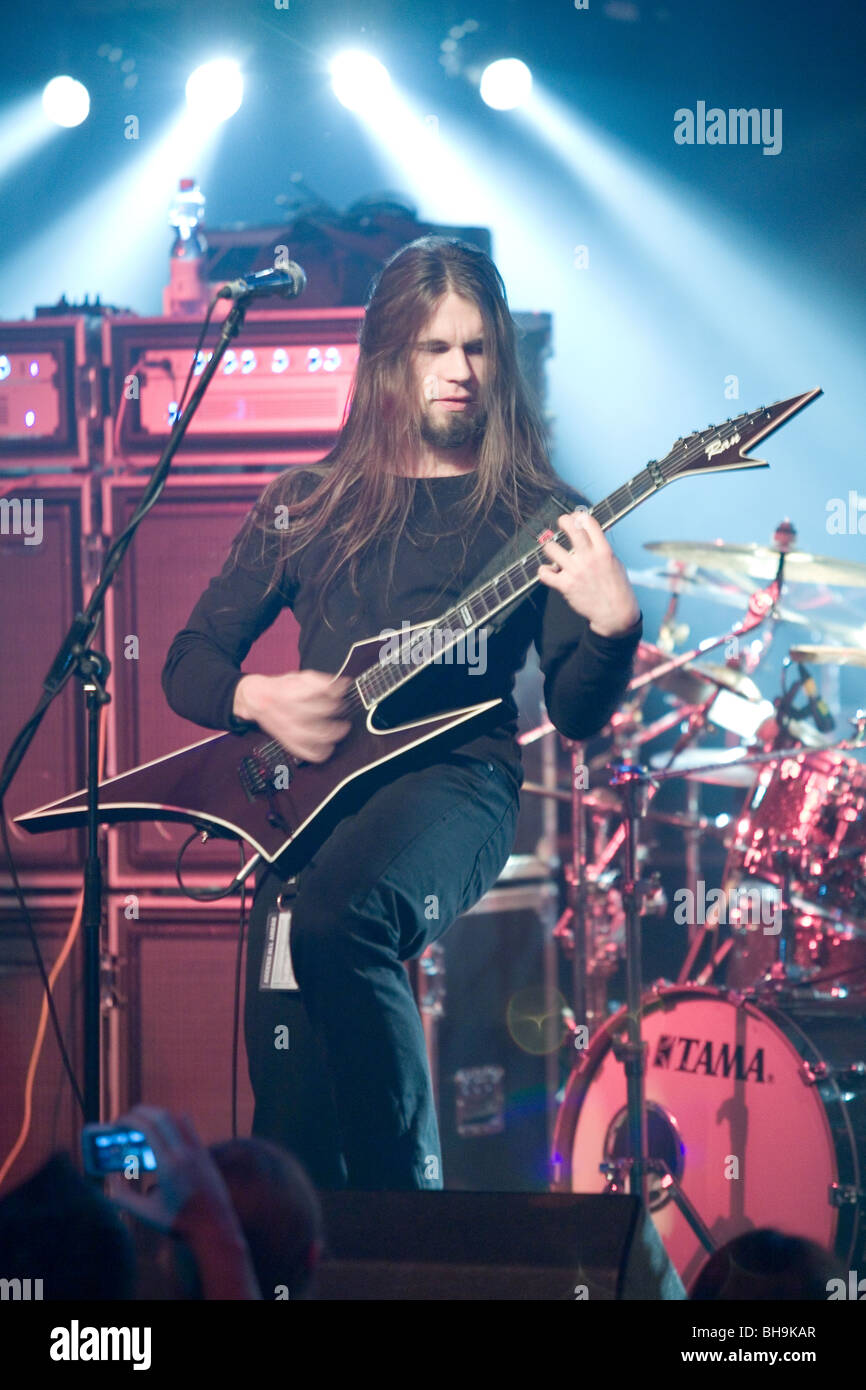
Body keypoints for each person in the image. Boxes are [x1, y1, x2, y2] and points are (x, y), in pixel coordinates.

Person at [162, 235, 642, 1191]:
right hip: (312, 800)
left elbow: (579, 714)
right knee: (291, 1093)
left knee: (344, 920)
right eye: (435, 349)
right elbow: (189, 664)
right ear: (389, 360)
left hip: (458, 783)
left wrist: (616, 625)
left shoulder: (537, 510)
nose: (460, 371)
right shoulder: (309, 504)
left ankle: (406, 1222)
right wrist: (258, 697)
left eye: (476, 348)